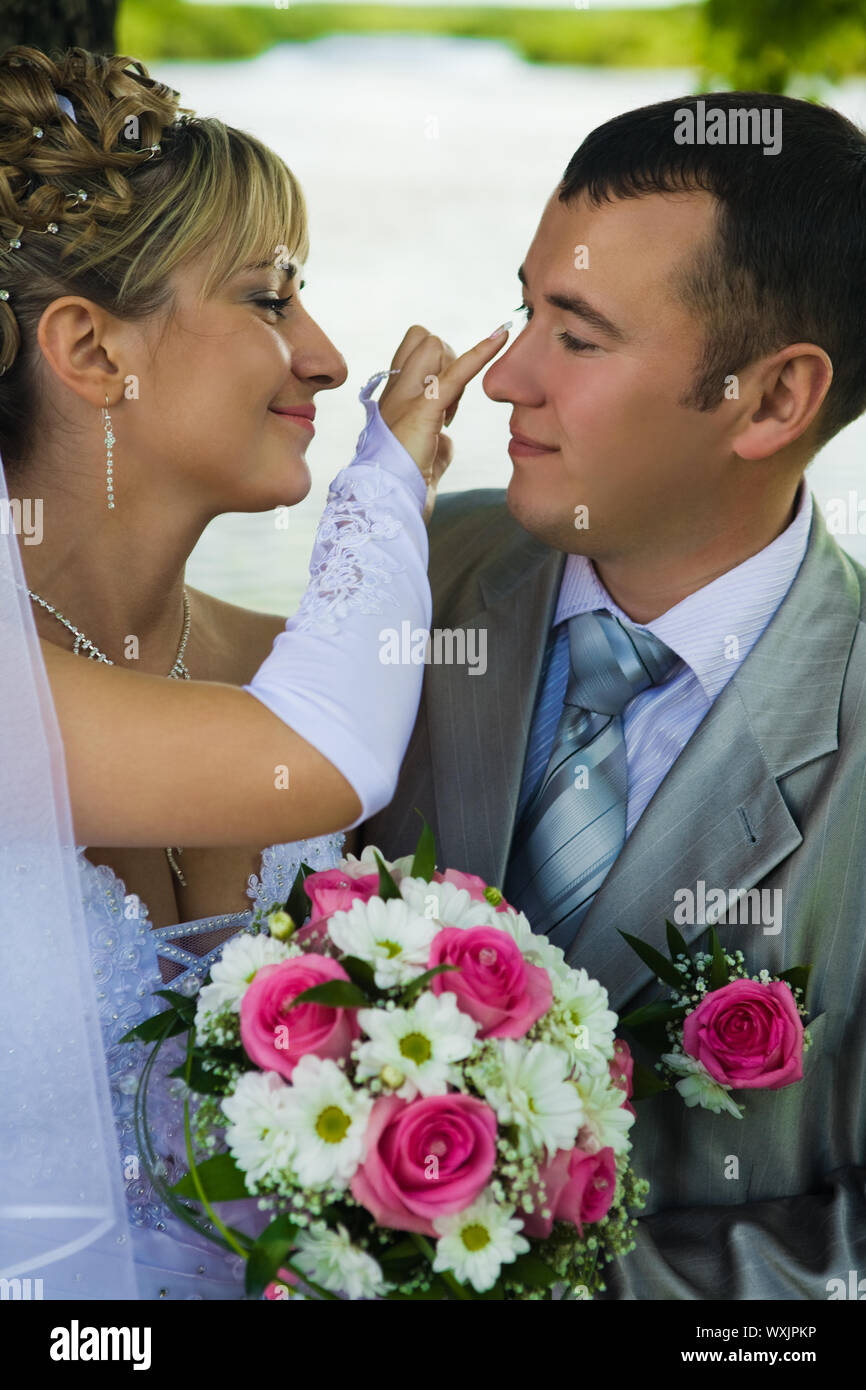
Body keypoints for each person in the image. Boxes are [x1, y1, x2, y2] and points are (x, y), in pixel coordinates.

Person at [0, 44, 507, 1300]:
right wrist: (390, 482)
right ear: (90, 349)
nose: (330, 360)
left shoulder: (274, 657)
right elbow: (322, 755)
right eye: (270, 299)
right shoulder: (318, 705)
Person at [355, 91, 866, 1300]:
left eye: (576, 338)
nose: (503, 381)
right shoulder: (407, 574)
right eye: (524, 307)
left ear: (775, 399)